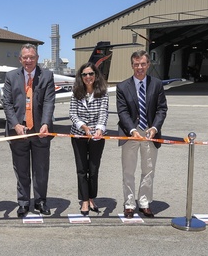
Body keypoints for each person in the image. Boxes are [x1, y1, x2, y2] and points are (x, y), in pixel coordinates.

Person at [2, 43, 55, 217]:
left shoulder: (46, 76)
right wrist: (16, 125)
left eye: (32, 57)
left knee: (41, 170)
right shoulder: (11, 77)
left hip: (40, 131)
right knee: (21, 170)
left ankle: (40, 202)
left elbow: (49, 101)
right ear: (20, 59)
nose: (29, 60)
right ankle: (23, 202)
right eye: (25, 57)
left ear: (37, 58)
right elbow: (7, 103)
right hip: (19, 132)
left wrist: (46, 123)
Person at [116, 50, 167, 218]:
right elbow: (122, 112)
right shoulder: (122, 86)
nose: (139, 67)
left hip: (150, 132)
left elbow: (161, 109)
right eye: (136, 64)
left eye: (143, 64)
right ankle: (129, 203)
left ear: (148, 65)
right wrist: (132, 130)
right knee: (128, 171)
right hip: (130, 133)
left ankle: (144, 202)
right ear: (132, 65)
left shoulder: (157, 84)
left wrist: (154, 128)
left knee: (148, 169)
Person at [69, 62, 109, 217]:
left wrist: (99, 129)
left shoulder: (103, 92)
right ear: (81, 77)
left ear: (95, 75)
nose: (88, 77)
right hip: (79, 134)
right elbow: (72, 113)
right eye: (84, 74)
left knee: (93, 170)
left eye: (90, 74)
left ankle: (92, 197)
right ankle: (84, 200)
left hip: (97, 136)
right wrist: (84, 127)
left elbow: (103, 113)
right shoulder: (76, 92)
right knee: (81, 169)